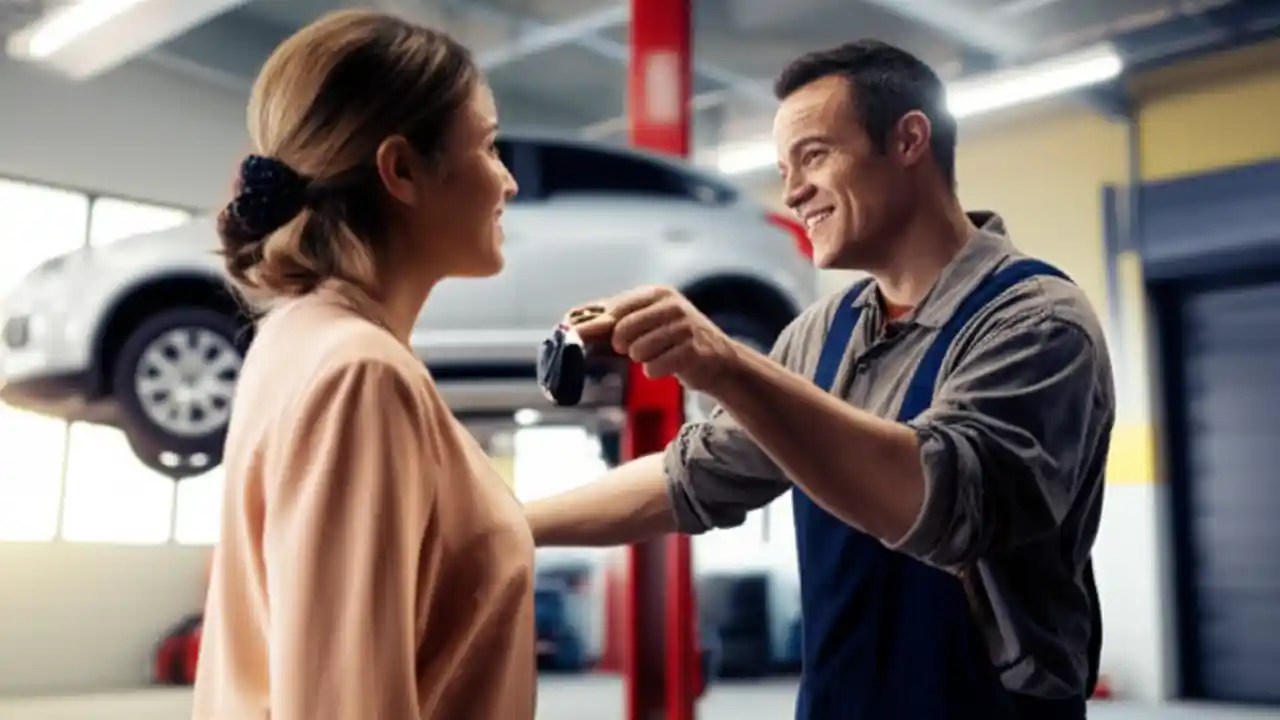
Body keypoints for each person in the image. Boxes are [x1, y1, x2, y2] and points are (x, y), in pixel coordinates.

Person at [526, 39, 1114, 720]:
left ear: (908, 140)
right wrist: (509, 527)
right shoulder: (821, 332)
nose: (791, 191)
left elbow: (940, 503)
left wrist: (727, 364)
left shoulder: (1036, 322)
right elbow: (693, 475)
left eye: (814, 156)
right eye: (783, 168)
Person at [191, 10, 531, 720]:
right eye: (490, 147)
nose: (508, 182)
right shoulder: (361, 374)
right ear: (402, 169)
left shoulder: (296, 336)